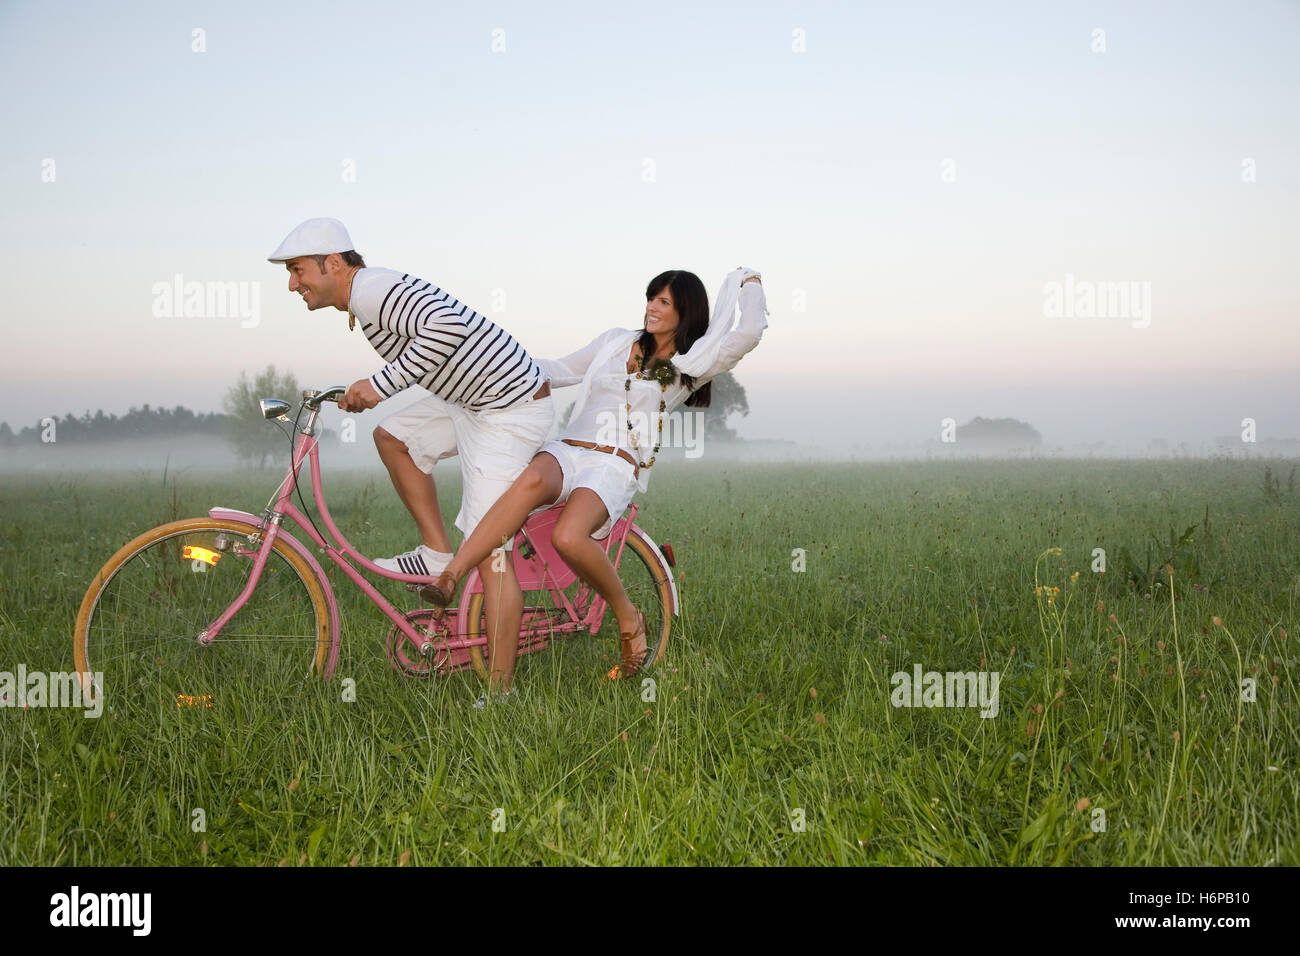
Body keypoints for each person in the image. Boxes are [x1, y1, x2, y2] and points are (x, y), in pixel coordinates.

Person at [424, 266, 767, 695]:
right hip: (569, 447)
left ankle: (627, 614)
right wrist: (500, 364)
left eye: (663, 301)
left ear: (686, 310)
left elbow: (748, 332)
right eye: (650, 298)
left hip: (614, 463)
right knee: (529, 480)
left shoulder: (687, 367)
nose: (651, 307)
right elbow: (557, 368)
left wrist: (749, 280)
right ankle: (452, 575)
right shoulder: (616, 342)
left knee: (570, 536)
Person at [266, 217, 554, 665]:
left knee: (491, 555)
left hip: (507, 410)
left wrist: (381, 384)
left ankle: (499, 697)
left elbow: (447, 327)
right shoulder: (366, 298)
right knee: (393, 438)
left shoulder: (371, 290)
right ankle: (438, 554)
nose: (291, 284)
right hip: (471, 403)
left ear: (334, 263)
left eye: (298, 270)